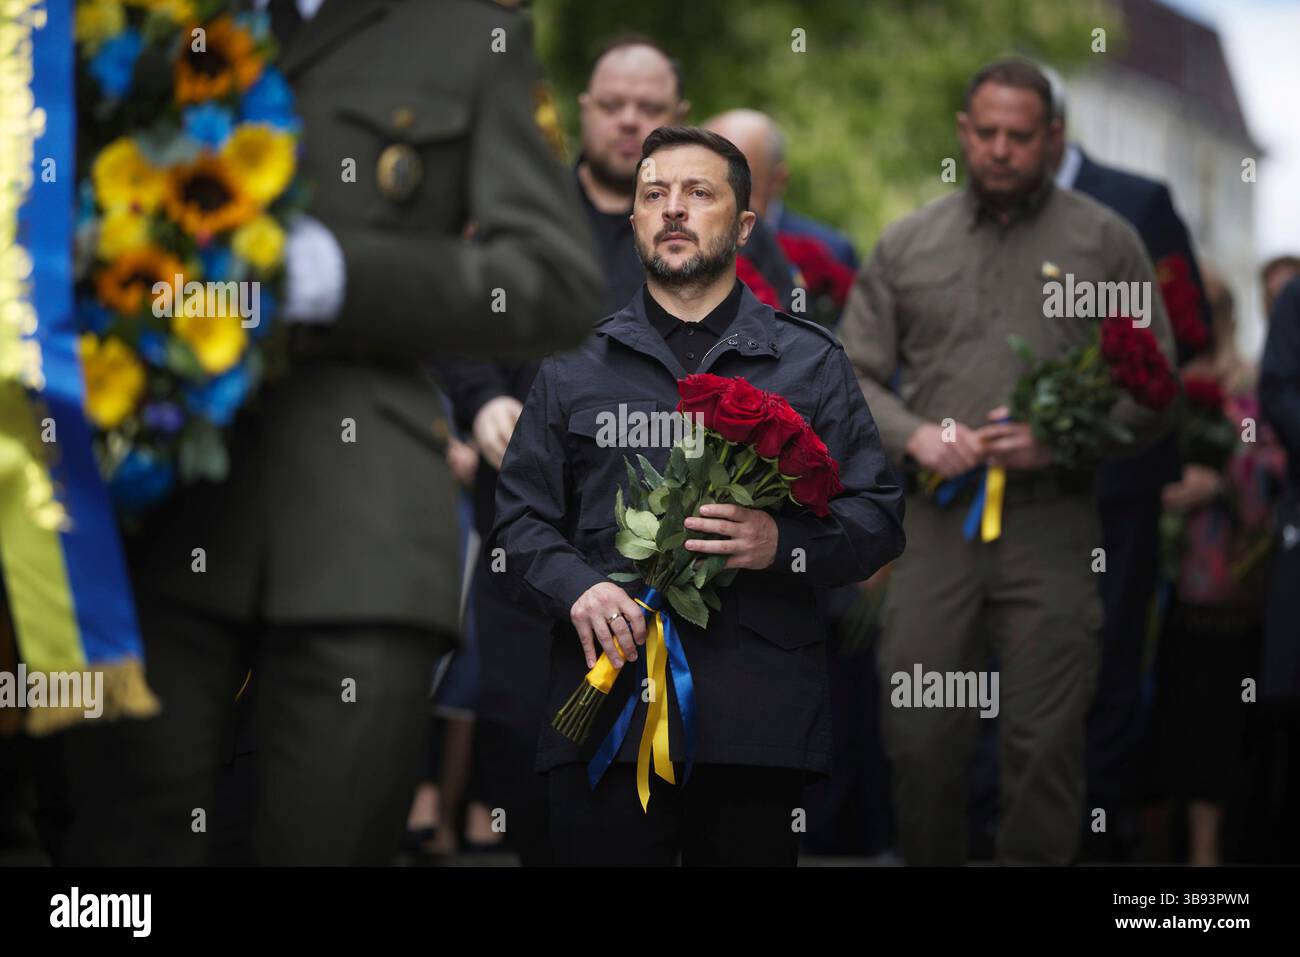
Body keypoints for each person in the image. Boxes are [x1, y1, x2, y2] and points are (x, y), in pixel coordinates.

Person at [58, 0, 602, 866]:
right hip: (144, 515)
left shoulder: (466, 36)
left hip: (361, 535)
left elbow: (556, 280)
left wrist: (342, 275)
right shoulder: (132, 21)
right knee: (119, 870)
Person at [490, 126, 905, 866]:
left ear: (744, 224)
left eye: (698, 193)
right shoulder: (571, 362)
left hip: (755, 721)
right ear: (635, 219)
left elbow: (877, 520)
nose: (672, 209)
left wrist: (783, 545)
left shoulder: (810, 360)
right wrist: (577, 588)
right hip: (602, 716)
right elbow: (518, 520)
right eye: (654, 195)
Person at [839, 57, 1177, 865]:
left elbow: (1158, 390)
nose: (999, 150)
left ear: (1053, 137)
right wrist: (916, 434)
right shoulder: (909, 241)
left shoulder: (1105, 243)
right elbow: (850, 374)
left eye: (1019, 137)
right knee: (919, 738)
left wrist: (1061, 439)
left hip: (1053, 528)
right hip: (933, 524)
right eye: (984, 133)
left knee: (1045, 745)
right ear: (963, 133)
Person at [1041, 75, 1214, 857]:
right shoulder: (980, 209)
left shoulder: (1136, 201)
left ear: (1053, 128)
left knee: (1105, 671)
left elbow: (1188, 332)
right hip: (1006, 485)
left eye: (1017, 130)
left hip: (1113, 487)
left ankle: (1094, 844)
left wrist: (1098, 374)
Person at [1150, 271, 1284, 865]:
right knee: (1156, 725)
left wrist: (1217, 480)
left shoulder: (1251, 392)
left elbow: (1268, 492)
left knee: (1215, 729)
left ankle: (1207, 869)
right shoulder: (1155, 386)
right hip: (1155, 588)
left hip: (1221, 594)